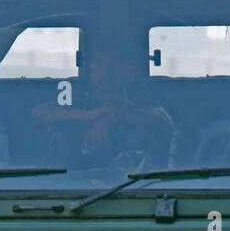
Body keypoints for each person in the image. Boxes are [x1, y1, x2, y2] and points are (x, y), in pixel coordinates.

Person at [31, 43, 173, 169]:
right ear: (90, 68)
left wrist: (115, 116)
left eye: (116, 63)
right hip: (66, 184)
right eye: (98, 64)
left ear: (129, 69)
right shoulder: (75, 97)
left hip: (139, 185)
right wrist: (87, 115)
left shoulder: (144, 99)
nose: (106, 72)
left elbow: (164, 122)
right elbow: (39, 113)